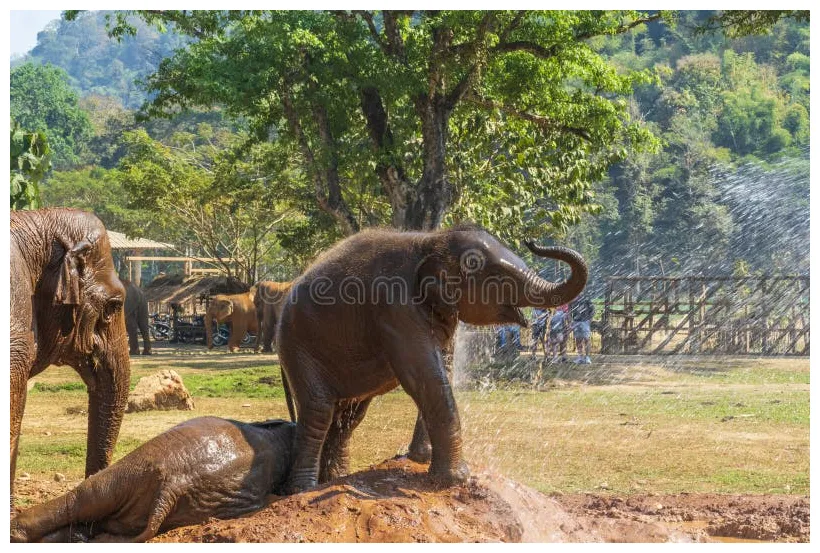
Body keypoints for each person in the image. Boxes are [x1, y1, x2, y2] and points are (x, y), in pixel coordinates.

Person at [570, 293, 595, 364]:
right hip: (575, 321)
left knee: (586, 339)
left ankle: (587, 357)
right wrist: (570, 321)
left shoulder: (587, 299)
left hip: (585, 321)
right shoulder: (573, 299)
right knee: (578, 340)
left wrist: (590, 319)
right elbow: (569, 310)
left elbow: (593, 310)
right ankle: (580, 357)